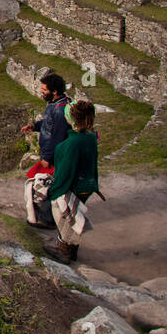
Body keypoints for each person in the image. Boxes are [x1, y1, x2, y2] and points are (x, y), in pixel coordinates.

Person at [43, 100, 101, 264]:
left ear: (70, 119)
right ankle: (73, 247)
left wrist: (56, 189)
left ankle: (64, 248)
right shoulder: (90, 137)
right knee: (74, 213)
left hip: (73, 184)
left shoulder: (71, 144)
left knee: (63, 214)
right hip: (87, 183)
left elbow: (65, 170)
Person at [20, 72, 72, 166]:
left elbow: (58, 137)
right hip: (50, 154)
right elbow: (49, 122)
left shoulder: (60, 111)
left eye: (44, 89)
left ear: (54, 91)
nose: (41, 91)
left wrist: (47, 158)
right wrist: (35, 126)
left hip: (55, 158)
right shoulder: (54, 103)